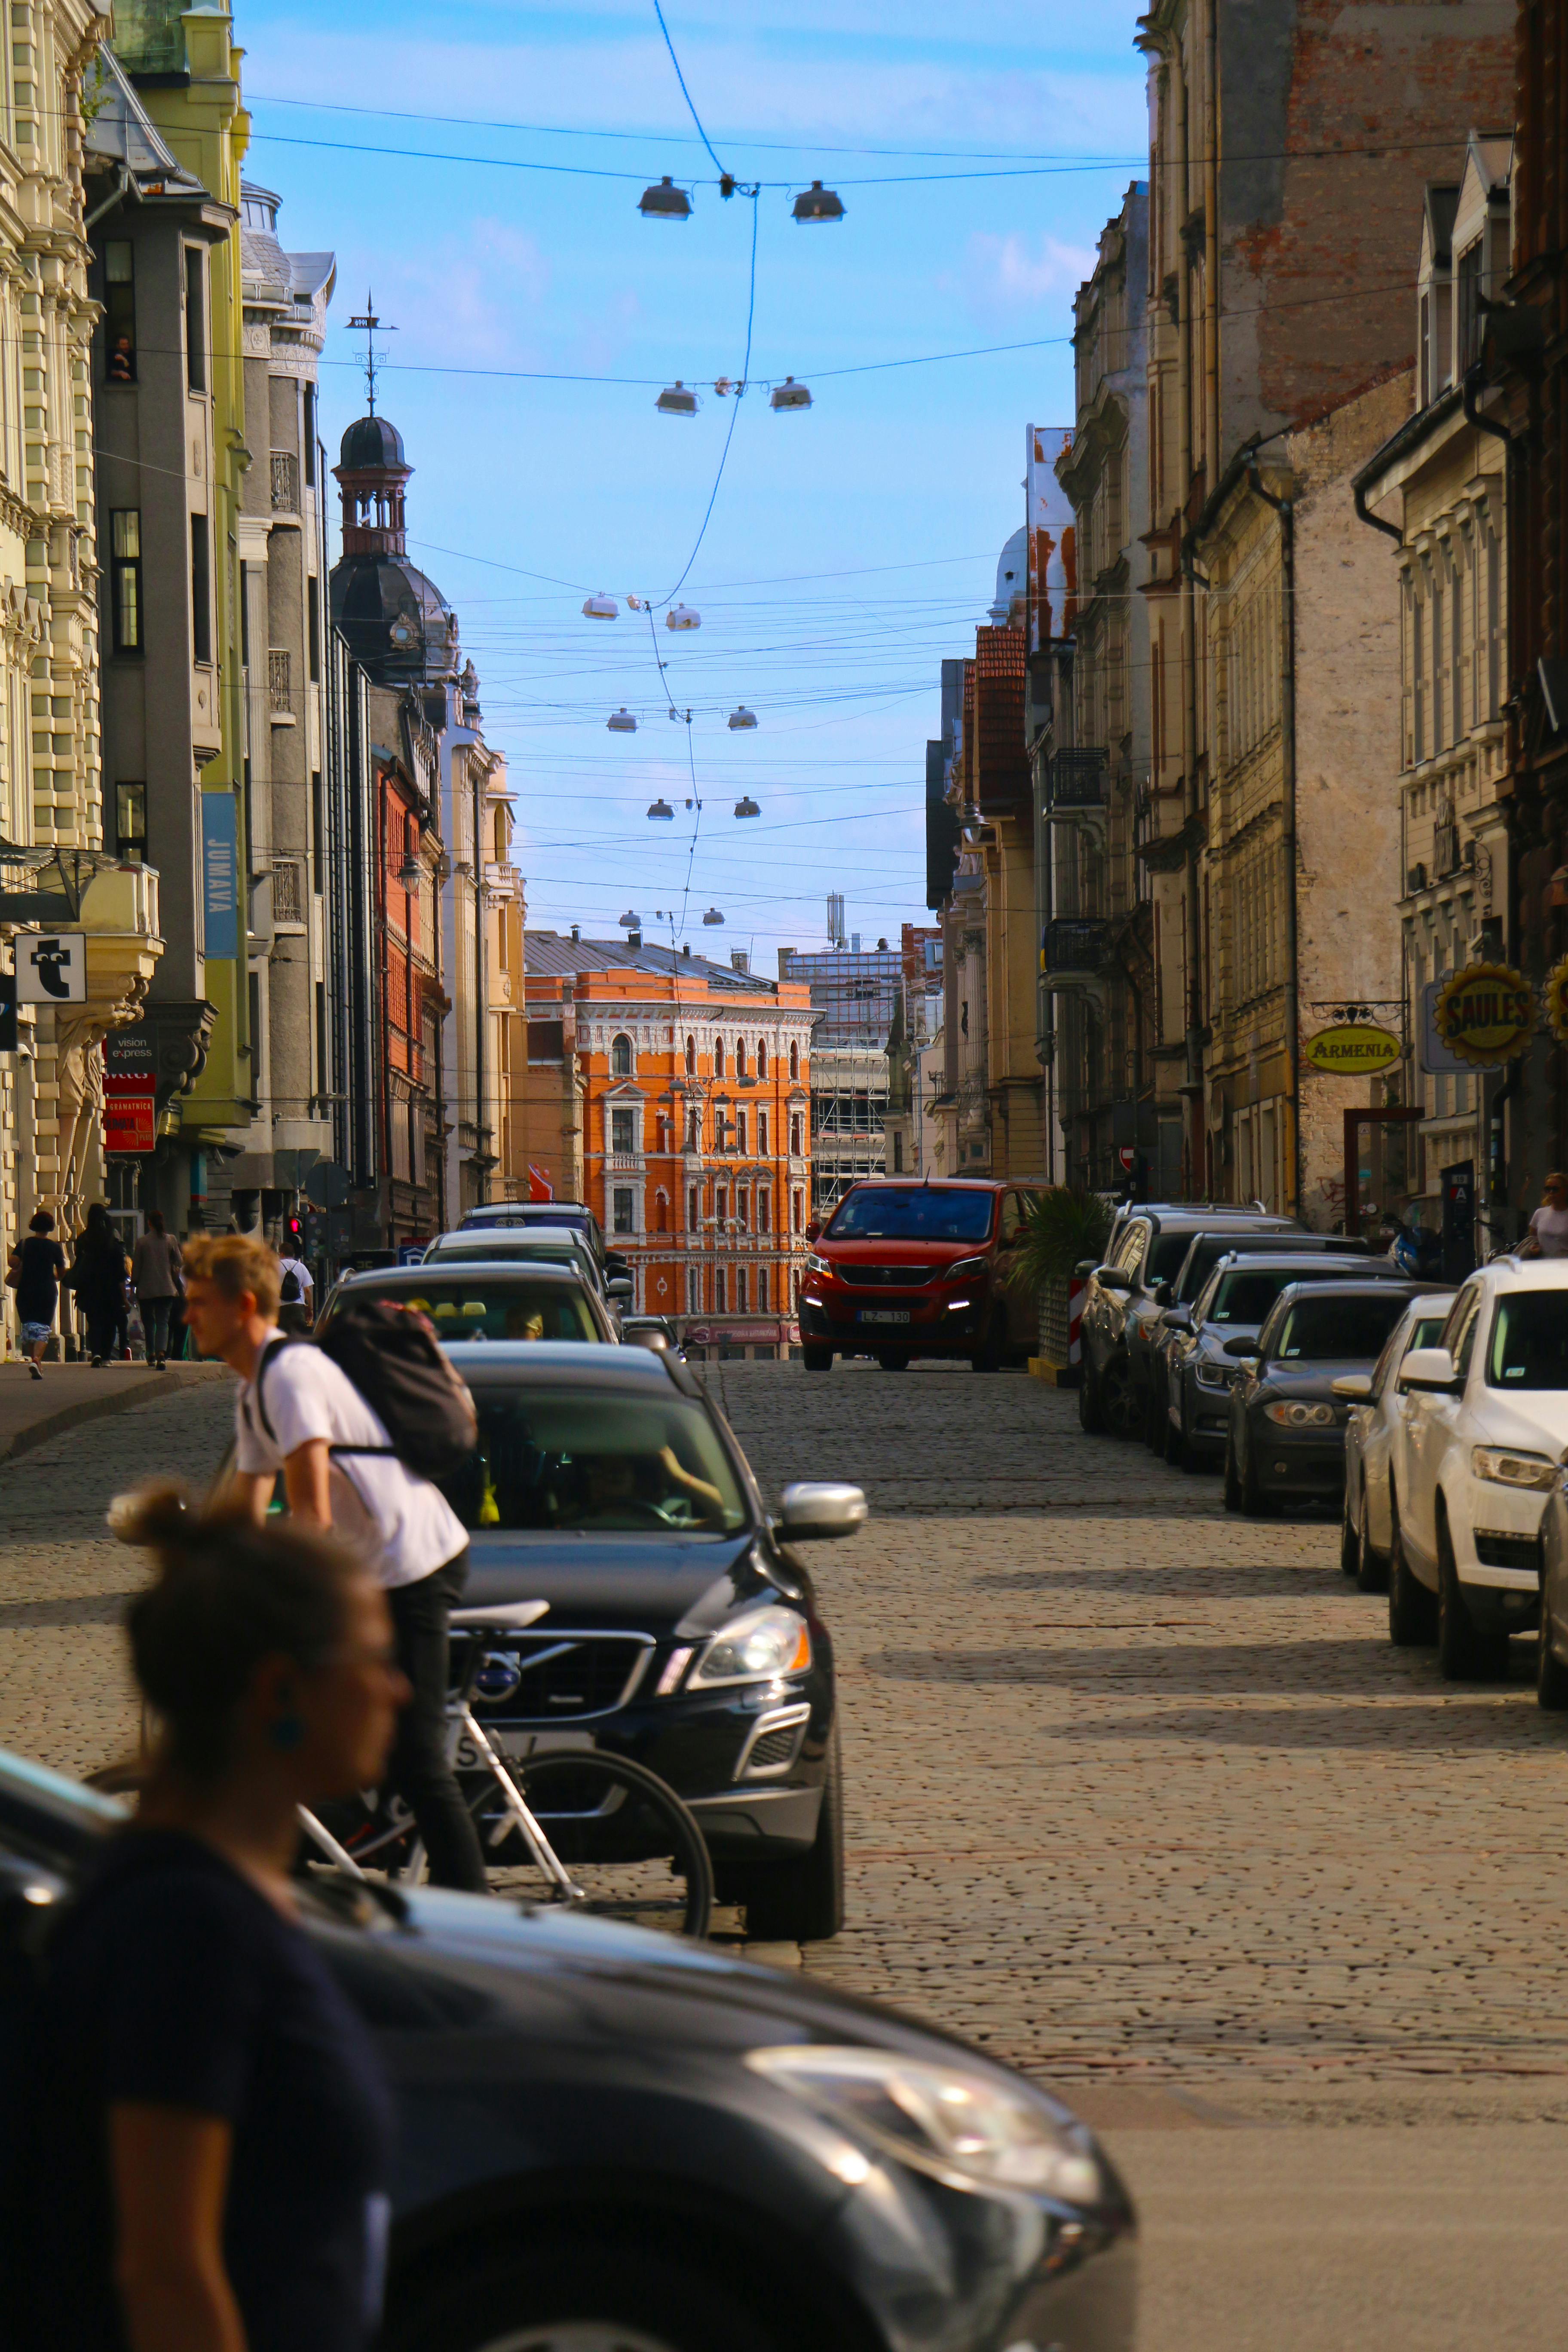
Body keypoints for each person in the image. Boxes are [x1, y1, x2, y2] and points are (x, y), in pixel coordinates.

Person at [12, 1482, 404, 2352]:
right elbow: (167, 2273)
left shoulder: (213, 1896)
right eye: (373, 1658)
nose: (397, 1688)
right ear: (280, 1691)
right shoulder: (191, 1929)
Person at [182, 1231, 489, 1893]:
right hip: (375, 1567)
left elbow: (312, 1518)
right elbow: (248, 1508)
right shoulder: (254, 1389)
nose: (186, 1316)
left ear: (243, 1309)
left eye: (199, 1302)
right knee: (294, 1730)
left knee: (419, 1761)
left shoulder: (291, 1377)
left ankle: (476, 1920)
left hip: (415, 1565)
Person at [72, 1203, 131, 1368]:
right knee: (110, 1323)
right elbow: (121, 1273)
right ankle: (106, 1356)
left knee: (94, 1321)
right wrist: (124, 1298)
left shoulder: (84, 1239)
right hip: (111, 1289)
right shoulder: (113, 1242)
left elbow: (79, 1264)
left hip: (90, 1288)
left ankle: (96, 1353)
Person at [9, 1208, 65, 1379]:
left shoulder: (24, 1243)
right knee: (43, 1328)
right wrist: (54, 1277)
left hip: (26, 1290)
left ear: (33, 1225)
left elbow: (13, 1262)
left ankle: (37, 1364)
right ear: (50, 1227)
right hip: (47, 1291)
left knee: (30, 1325)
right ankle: (36, 1359)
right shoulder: (55, 1247)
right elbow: (62, 1272)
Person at [131, 1211, 184, 1369]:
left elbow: (137, 1267)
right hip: (167, 1288)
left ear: (149, 1224)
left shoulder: (142, 1242)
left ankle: (151, 1354)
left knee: (149, 1323)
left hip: (147, 1289)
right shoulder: (171, 1240)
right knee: (163, 1322)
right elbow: (180, 1261)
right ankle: (162, 1354)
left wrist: (134, 1284)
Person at [1522, 1171, 1568, 1259]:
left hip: (1564, 1265)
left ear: (1566, 1191)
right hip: (1543, 1264)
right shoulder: (1540, 1213)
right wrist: (1535, 1247)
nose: (1551, 1192)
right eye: (1548, 1189)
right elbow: (1533, 1238)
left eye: (1555, 1189)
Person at [277, 1246, 314, 1335]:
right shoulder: (302, 1267)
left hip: (281, 1307)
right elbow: (308, 1291)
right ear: (293, 1255)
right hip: (298, 1307)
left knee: (283, 1335)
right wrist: (310, 1309)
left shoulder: (276, 1266)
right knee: (299, 1335)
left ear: (282, 1254)